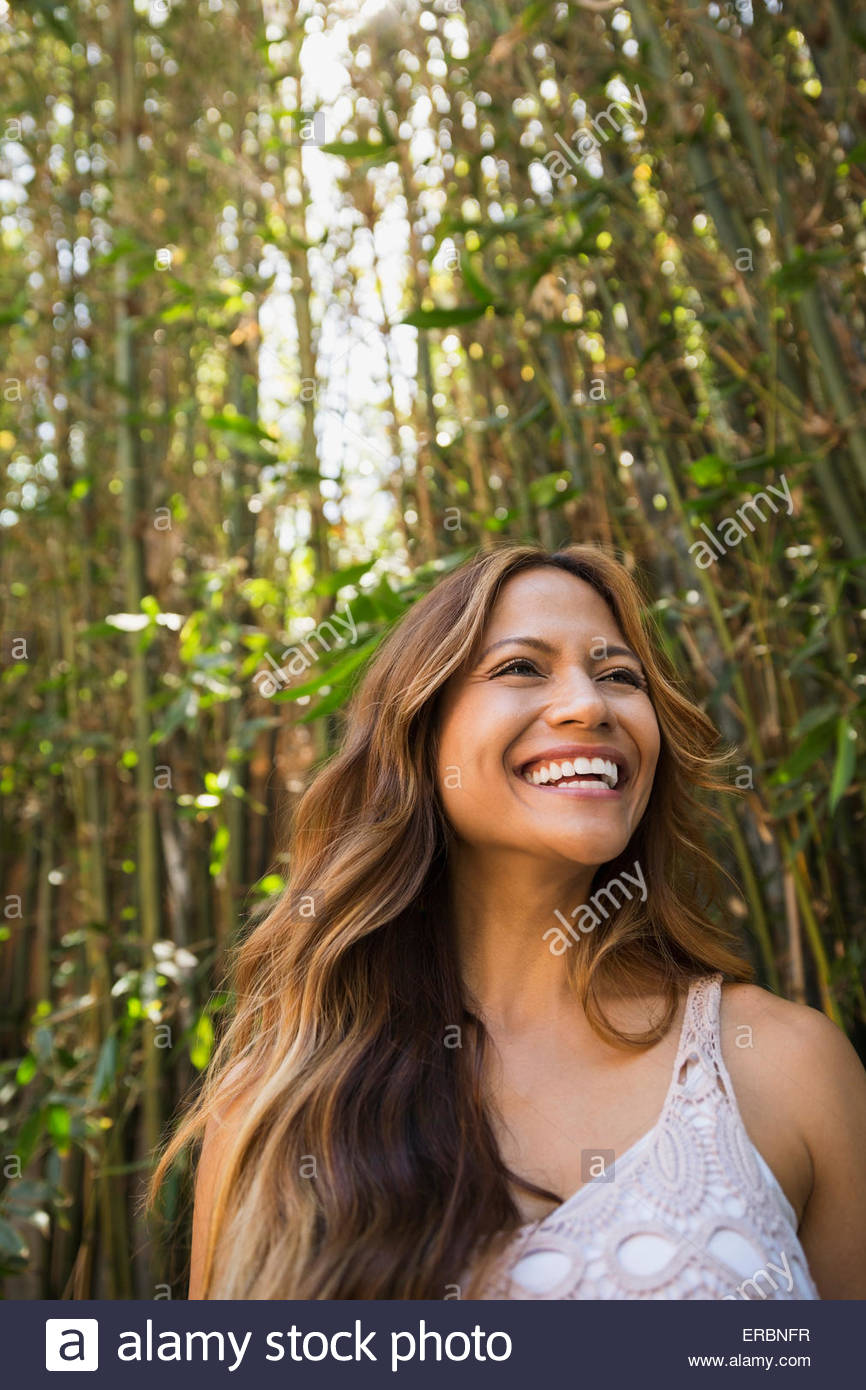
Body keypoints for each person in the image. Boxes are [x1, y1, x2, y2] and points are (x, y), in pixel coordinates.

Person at [148, 543, 866, 1299]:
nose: (590, 704)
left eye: (619, 676)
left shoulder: (787, 1067)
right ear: (420, 740)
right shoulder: (278, 1106)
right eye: (521, 667)